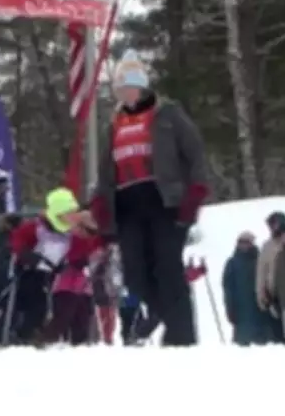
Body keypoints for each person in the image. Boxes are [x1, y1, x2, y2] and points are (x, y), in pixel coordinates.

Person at [88, 49, 208, 347]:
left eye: (129, 87)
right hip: (128, 205)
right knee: (134, 273)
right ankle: (165, 315)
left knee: (168, 268)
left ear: (142, 87)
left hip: (163, 201)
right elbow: (105, 171)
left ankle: (182, 337)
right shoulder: (113, 124)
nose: (124, 93)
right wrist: (101, 207)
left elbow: (195, 153)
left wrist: (195, 193)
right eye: (119, 88)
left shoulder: (167, 114)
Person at [9, 188, 94, 344]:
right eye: (67, 213)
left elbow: (84, 250)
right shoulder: (36, 228)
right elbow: (18, 242)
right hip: (34, 272)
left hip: (63, 273)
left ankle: (74, 339)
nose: (72, 217)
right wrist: (28, 256)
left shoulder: (77, 231)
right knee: (35, 299)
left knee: (77, 305)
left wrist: (80, 259)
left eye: (73, 212)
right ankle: (29, 333)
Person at [47, 229, 103, 345]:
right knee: (64, 316)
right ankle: (48, 341)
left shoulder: (95, 237)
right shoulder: (71, 236)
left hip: (84, 285)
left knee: (82, 319)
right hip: (68, 283)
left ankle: (78, 343)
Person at [222, 231, 273, 346]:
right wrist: (230, 309)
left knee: (264, 347)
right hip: (241, 312)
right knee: (242, 348)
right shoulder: (232, 263)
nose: (244, 245)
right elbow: (228, 289)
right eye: (241, 242)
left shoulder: (260, 261)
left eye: (247, 242)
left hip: (260, 311)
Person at [256, 211, 285, 343]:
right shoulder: (267, 246)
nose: (274, 227)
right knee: (277, 334)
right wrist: (261, 295)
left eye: (276, 224)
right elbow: (261, 272)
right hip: (273, 295)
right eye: (272, 225)